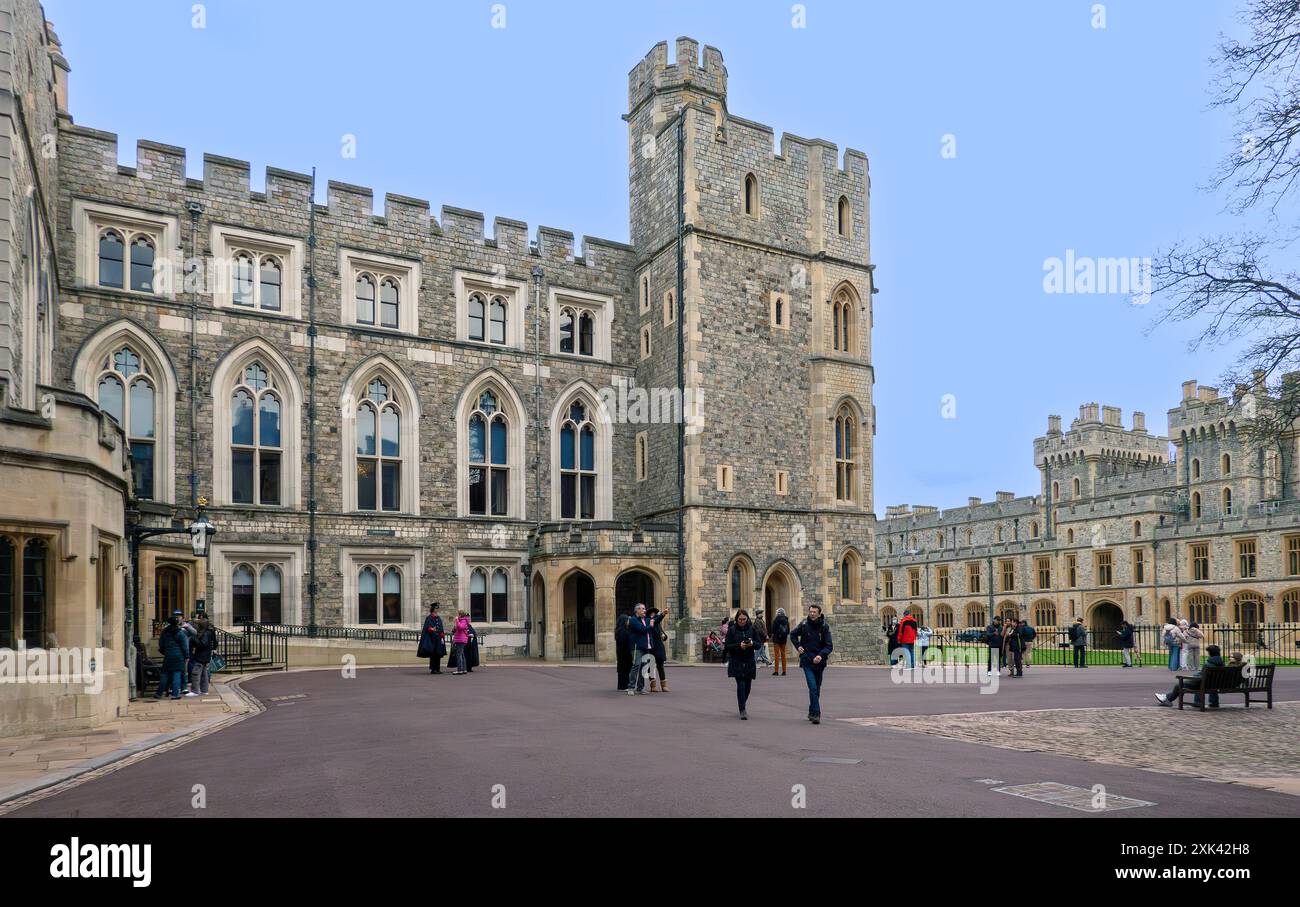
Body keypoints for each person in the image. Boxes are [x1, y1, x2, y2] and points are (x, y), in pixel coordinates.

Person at [790, 605, 833, 724]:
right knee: (813, 687)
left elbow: (829, 646)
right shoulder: (804, 625)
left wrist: (821, 655)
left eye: (814, 612)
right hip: (807, 661)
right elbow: (792, 635)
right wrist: (798, 647)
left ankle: (811, 710)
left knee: (817, 688)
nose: (812, 614)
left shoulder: (824, 627)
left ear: (819, 614)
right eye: (810, 612)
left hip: (819, 662)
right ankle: (816, 714)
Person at [1156, 644, 1225, 708]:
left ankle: (1167, 699)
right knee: (1205, 683)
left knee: (1179, 685)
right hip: (1214, 685)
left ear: (1210, 653)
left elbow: (1201, 677)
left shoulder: (1208, 665)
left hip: (1203, 684)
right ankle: (1213, 702)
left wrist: (1194, 676)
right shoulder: (1222, 664)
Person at [725, 609, 761, 719]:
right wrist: (739, 646)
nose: (742, 621)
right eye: (740, 619)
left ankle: (742, 703)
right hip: (737, 660)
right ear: (737, 619)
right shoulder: (732, 630)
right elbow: (727, 646)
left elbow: (758, 644)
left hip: (749, 660)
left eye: (744, 619)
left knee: (748, 687)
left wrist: (751, 644)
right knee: (741, 685)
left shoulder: (752, 629)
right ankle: (742, 709)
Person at [155, 611, 190, 700]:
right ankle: (175, 694)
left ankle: (159, 693)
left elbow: (161, 644)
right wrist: (186, 656)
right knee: (177, 674)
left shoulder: (164, 632)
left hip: (168, 655)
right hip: (178, 656)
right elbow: (184, 646)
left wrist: (165, 652)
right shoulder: (180, 633)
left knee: (165, 674)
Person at [624, 603, 654, 695]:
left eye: (645, 608)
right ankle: (631, 687)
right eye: (643, 609)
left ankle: (640, 688)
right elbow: (642, 629)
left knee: (644, 668)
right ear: (637, 610)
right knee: (636, 665)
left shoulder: (645, 619)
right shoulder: (633, 620)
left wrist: (662, 614)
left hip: (645, 647)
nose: (645, 610)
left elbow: (655, 620)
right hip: (637, 647)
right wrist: (650, 626)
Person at [188, 609, 215, 695]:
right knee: (204, 673)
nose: (197, 626)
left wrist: (194, 639)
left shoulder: (206, 633)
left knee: (195, 672)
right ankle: (204, 690)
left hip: (201, 655)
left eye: (199, 625)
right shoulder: (208, 632)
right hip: (205, 655)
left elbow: (203, 644)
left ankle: (195, 691)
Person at [418, 603, 447, 674]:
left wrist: (442, 635)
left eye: (438, 608)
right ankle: (433, 669)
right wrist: (432, 629)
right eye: (436, 608)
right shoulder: (429, 617)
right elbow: (427, 627)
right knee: (433, 654)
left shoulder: (438, 617)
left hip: (438, 638)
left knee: (438, 653)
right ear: (433, 609)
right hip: (432, 638)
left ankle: (438, 668)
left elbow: (440, 627)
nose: (437, 610)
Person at [648, 606, 670, 692]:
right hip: (652, 647)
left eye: (655, 614)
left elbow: (663, 633)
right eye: (653, 614)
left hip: (659, 647)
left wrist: (664, 636)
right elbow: (656, 620)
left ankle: (663, 685)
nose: (654, 615)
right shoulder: (649, 621)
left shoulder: (658, 624)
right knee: (651, 666)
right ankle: (653, 685)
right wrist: (663, 613)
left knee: (660, 666)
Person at [615, 612, 633, 690]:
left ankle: (621, 686)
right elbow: (624, 642)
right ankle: (624, 686)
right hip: (625, 652)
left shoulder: (619, 630)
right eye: (627, 620)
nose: (628, 622)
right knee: (625, 669)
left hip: (621, 652)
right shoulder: (623, 631)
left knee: (622, 669)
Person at [770, 607, 790, 676]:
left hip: (776, 639)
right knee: (783, 654)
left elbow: (773, 630)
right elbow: (788, 631)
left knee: (776, 655)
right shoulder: (786, 620)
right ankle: (784, 671)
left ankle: (776, 671)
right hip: (784, 639)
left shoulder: (776, 620)